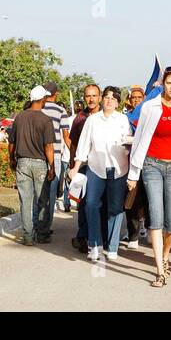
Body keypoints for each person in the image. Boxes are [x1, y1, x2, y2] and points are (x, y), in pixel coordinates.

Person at [127, 67, 171, 287]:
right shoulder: (149, 107)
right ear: (163, 84)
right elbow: (139, 139)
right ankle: (159, 270)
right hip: (152, 166)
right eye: (169, 83)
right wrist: (133, 173)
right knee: (156, 219)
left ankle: (166, 255)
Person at [68, 85, 131, 262]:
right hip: (95, 168)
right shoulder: (92, 120)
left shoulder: (122, 120)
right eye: (107, 97)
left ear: (118, 102)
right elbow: (83, 145)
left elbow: (128, 143)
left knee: (115, 209)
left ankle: (112, 246)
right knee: (91, 204)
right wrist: (75, 166)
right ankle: (94, 245)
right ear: (102, 99)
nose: (109, 100)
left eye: (113, 97)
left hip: (119, 169)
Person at [10, 86, 57, 245]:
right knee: (43, 201)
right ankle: (42, 235)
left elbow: (11, 143)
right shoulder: (45, 120)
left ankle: (28, 236)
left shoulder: (19, 117)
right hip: (40, 164)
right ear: (42, 99)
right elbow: (48, 147)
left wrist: (12, 159)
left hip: (22, 162)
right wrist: (52, 167)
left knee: (26, 201)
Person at [68, 83, 101, 252]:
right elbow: (73, 142)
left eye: (94, 95)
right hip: (83, 166)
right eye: (88, 96)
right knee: (83, 203)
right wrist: (73, 165)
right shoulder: (80, 118)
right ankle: (83, 236)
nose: (91, 99)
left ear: (100, 97)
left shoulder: (106, 117)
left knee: (95, 202)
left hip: (101, 167)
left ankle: (97, 236)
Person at [39, 82, 68, 215]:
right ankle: (46, 226)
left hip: (38, 154)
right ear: (56, 94)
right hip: (55, 156)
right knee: (50, 194)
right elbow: (66, 136)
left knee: (37, 192)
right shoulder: (61, 111)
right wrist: (75, 155)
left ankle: (36, 225)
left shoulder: (39, 108)